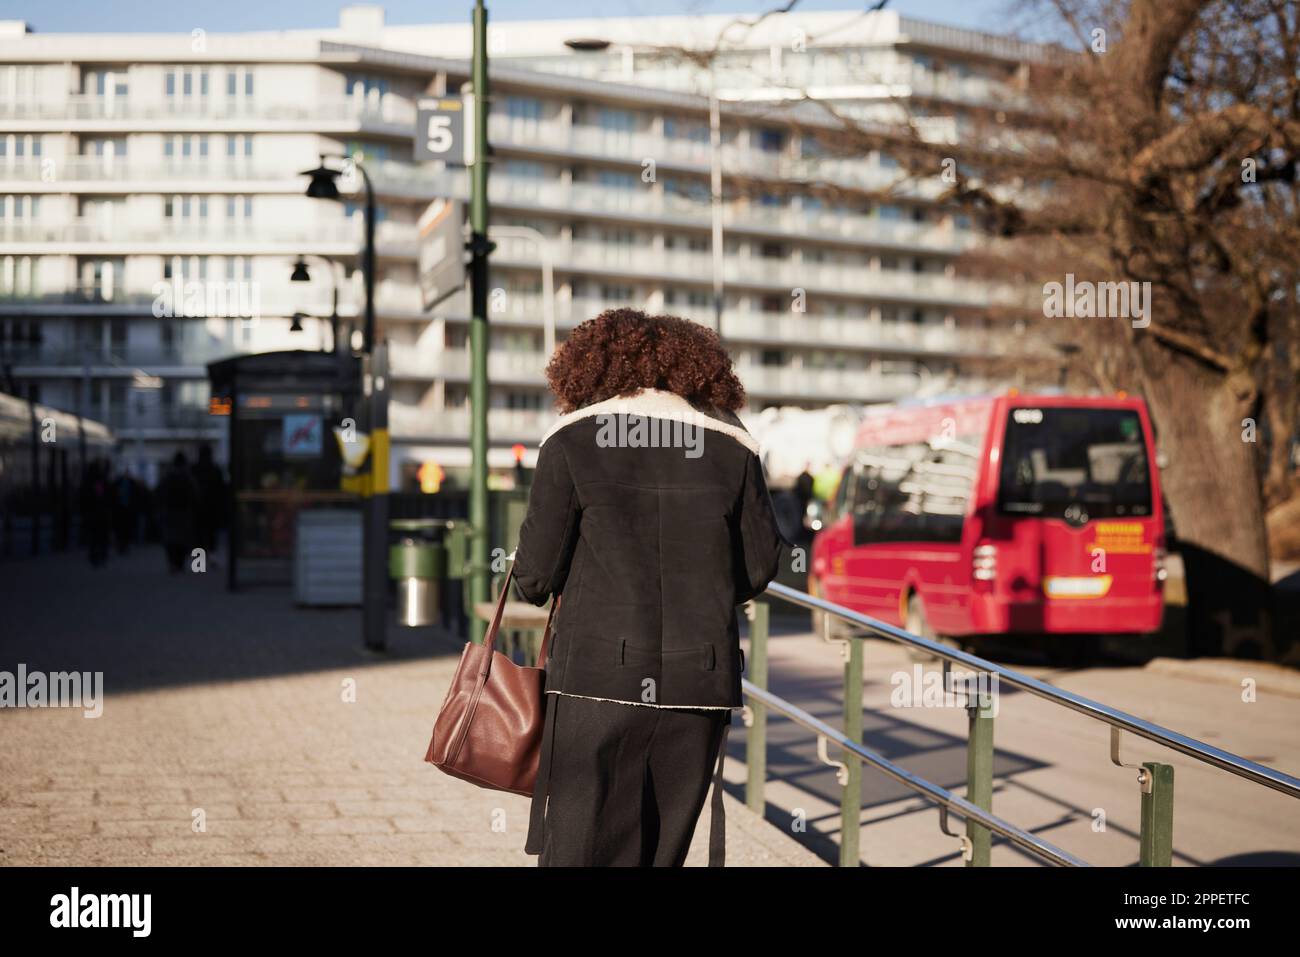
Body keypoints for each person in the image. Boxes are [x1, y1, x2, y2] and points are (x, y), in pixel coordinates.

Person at [512, 308, 787, 867]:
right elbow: (761, 567)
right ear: (701, 370)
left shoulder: (571, 439)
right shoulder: (732, 443)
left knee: (579, 851)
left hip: (594, 682)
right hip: (699, 685)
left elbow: (534, 579)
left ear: (588, 368)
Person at [157, 451, 197, 573]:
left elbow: (160, 492)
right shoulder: (187, 476)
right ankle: (179, 563)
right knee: (182, 538)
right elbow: (194, 493)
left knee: (170, 538)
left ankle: (172, 563)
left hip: (170, 510)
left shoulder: (168, 476)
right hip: (183, 511)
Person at [191, 443, 228, 557]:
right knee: (211, 535)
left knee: (199, 535)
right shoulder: (215, 469)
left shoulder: (195, 469)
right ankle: (212, 558)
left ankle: (199, 564)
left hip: (198, 508)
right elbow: (222, 490)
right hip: (212, 508)